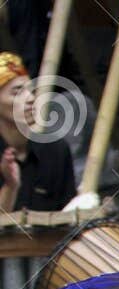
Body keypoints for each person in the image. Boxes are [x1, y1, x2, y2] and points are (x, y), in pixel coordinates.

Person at [0, 52, 75, 214]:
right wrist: (10, 187)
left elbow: (68, 217)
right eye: (17, 92)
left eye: (30, 90)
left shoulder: (56, 150)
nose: (30, 98)